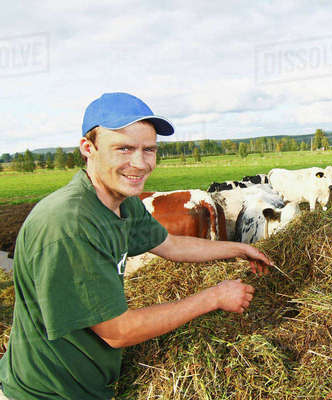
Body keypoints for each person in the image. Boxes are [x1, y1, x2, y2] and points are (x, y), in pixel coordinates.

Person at [0, 92, 273, 400]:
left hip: (86, 384)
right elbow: (119, 331)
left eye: (149, 149)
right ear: (88, 149)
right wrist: (215, 296)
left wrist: (238, 249)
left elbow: (170, 245)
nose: (140, 163)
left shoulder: (122, 204)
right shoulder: (70, 225)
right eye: (124, 148)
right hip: (46, 392)